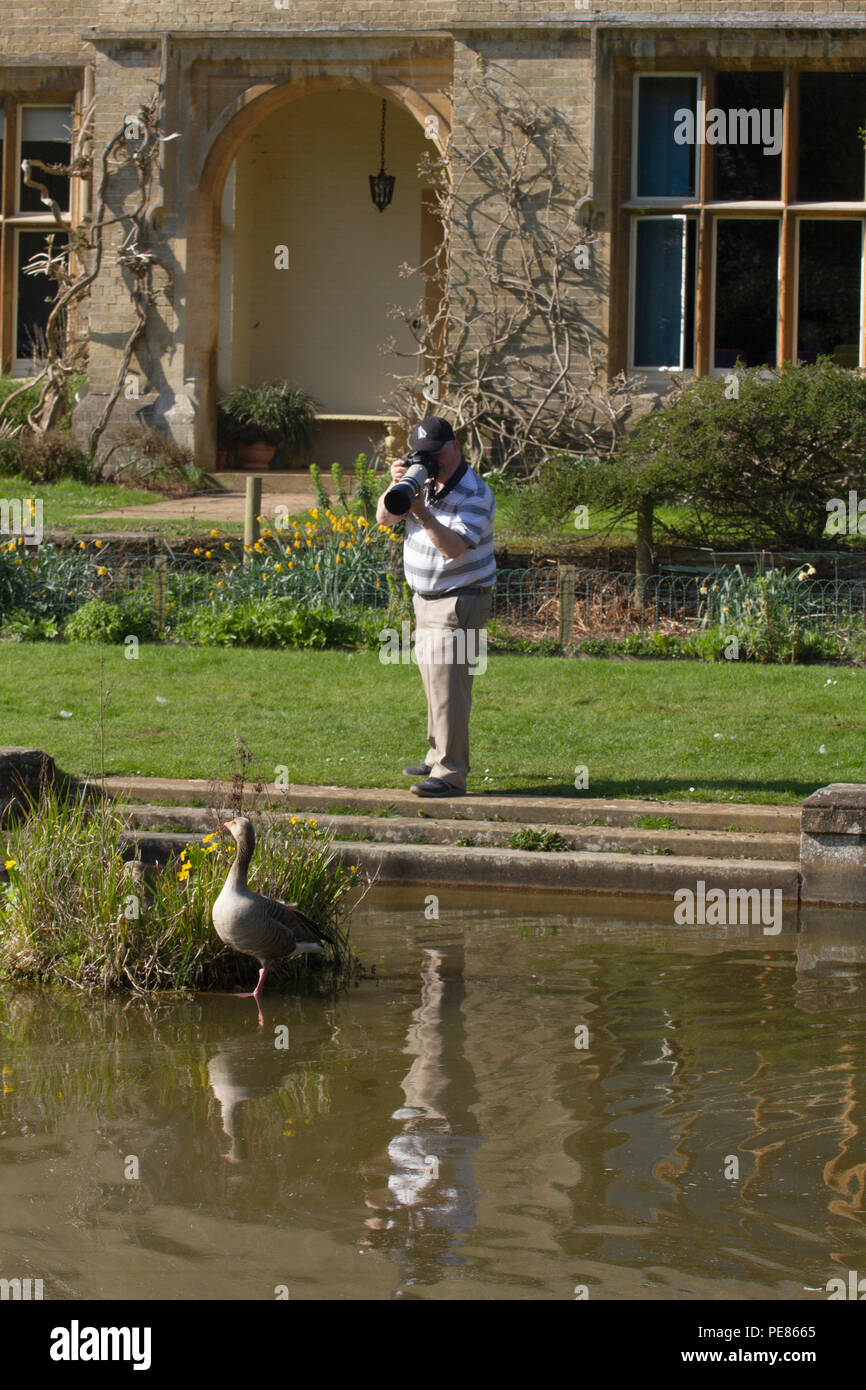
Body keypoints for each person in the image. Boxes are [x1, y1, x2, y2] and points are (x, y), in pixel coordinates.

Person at [376, 416, 496, 797]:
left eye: (436, 453)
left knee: (450, 688)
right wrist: (397, 487)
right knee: (434, 681)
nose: (430, 460)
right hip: (425, 599)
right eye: (422, 454)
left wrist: (421, 511)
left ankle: (450, 773)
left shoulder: (475, 493)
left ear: (455, 446)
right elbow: (383, 518)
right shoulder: (421, 480)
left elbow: (453, 548)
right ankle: (435, 756)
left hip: (461, 599)